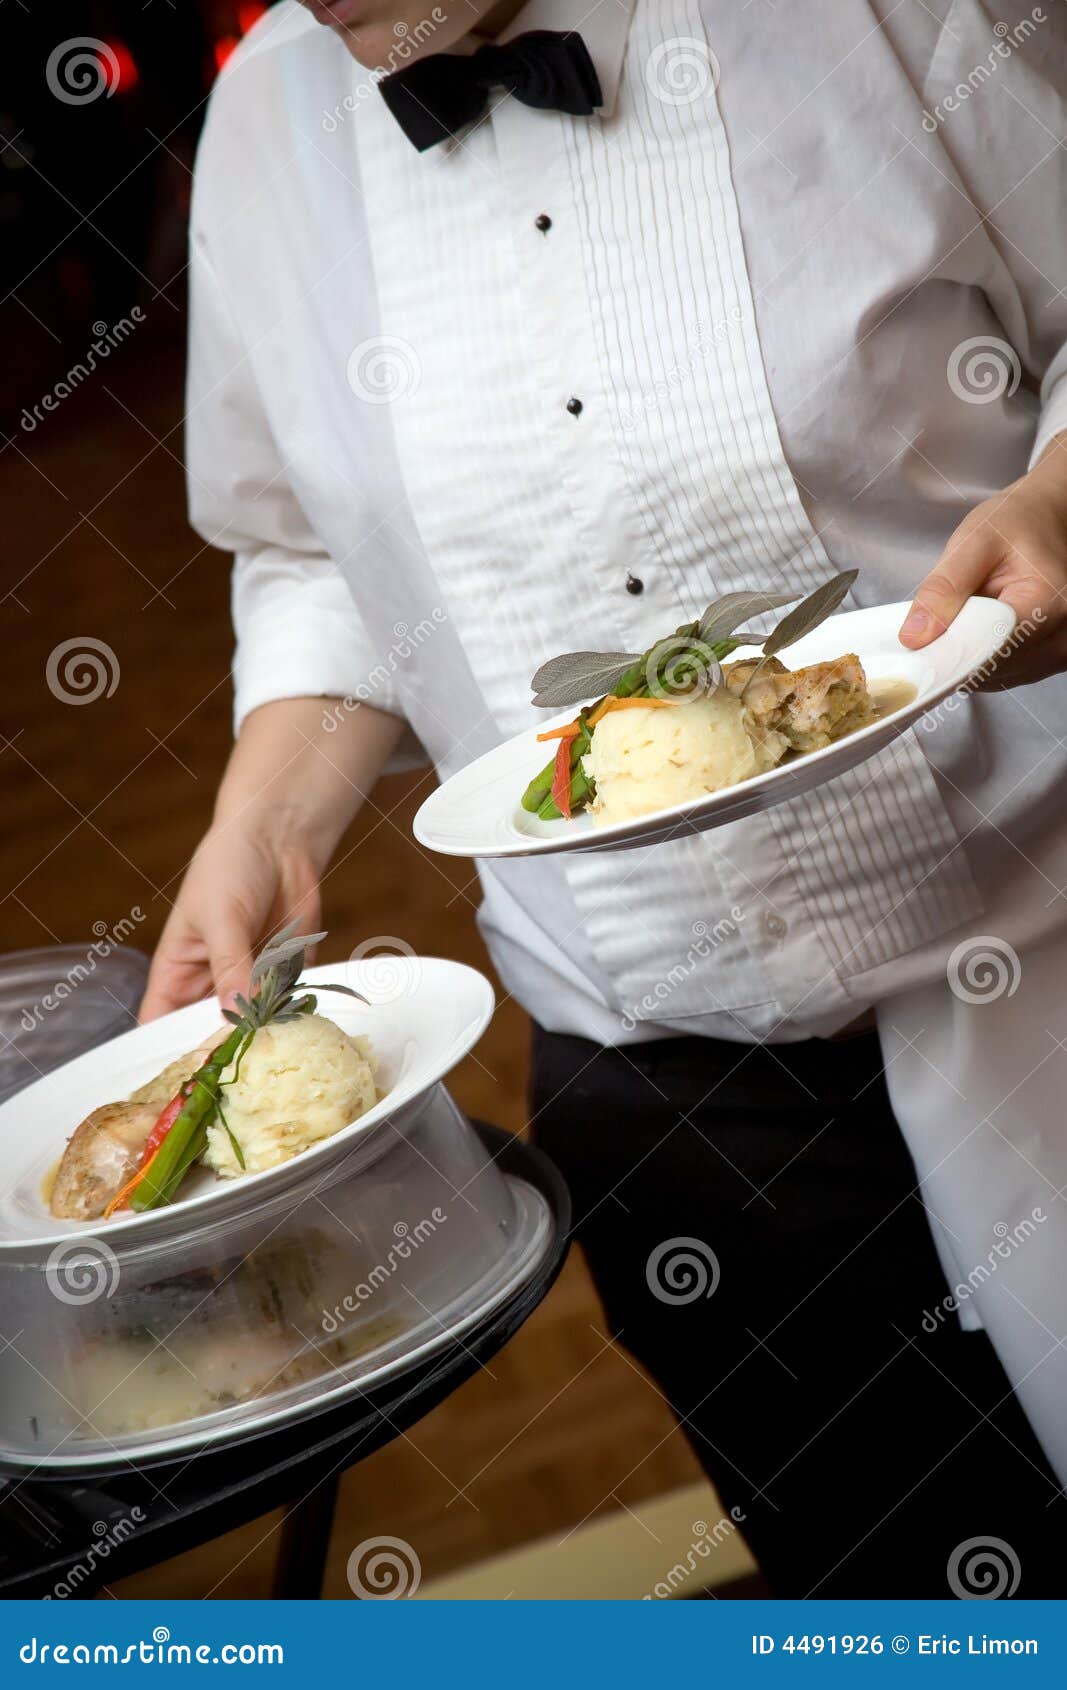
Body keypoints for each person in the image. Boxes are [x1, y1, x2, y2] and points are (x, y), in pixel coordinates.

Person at [145, 0, 1067, 1595]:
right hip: (674, 1105)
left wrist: (1057, 497)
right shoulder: (266, 126)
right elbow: (312, 546)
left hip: (1039, 949)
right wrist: (263, 823)